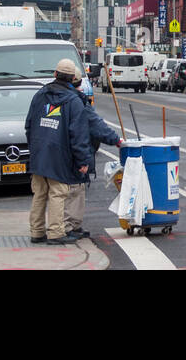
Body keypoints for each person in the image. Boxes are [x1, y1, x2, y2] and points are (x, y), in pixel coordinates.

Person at [24, 59, 93, 245]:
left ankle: (37, 232)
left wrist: (34, 149)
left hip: (39, 152)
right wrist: (83, 161)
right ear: (72, 78)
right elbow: (78, 135)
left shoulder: (40, 95)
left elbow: (29, 125)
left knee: (39, 193)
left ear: (55, 74)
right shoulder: (74, 101)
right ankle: (55, 232)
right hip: (59, 154)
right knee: (58, 193)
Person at [64, 64, 122, 241]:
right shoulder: (76, 101)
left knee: (57, 193)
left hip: (53, 152)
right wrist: (117, 141)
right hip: (74, 153)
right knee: (74, 190)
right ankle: (70, 227)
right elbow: (95, 125)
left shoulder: (48, 95)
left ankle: (63, 227)